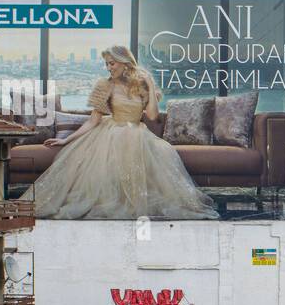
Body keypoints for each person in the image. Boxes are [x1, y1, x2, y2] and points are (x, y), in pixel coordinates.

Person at [33, 45, 218, 220]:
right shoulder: (105, 86)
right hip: (111, 132)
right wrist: (66, 141)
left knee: (160, 156)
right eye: (106, 64)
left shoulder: (141, 85)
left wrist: (150, 85)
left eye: (111, 63)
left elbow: (152, 116)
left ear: (124, 62)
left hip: (137, 133)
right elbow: (93, 120)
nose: (108, 68)